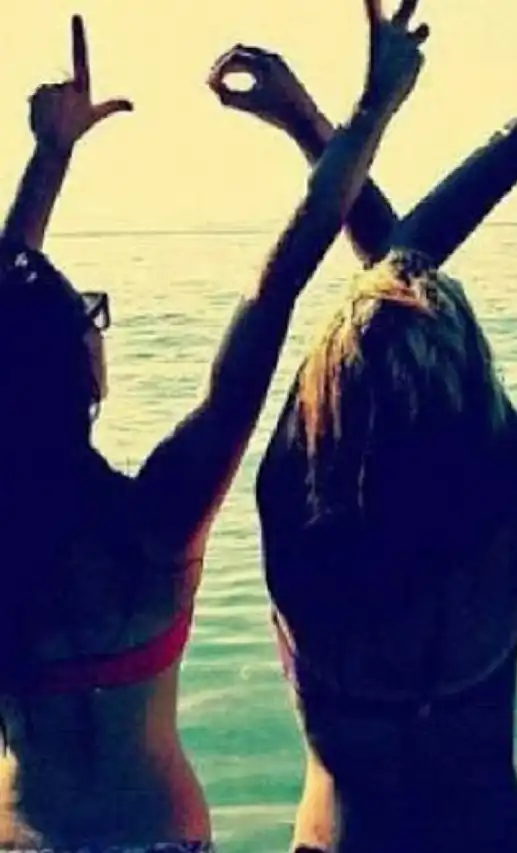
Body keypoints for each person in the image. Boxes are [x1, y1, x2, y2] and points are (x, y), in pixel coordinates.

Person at [211, 10, 517, 853]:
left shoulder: (293, 503)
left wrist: (325, 124)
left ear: (320, 390)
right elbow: (400, 267)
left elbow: (319, 286)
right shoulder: (502, 485)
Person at [0, 5, 427, 849]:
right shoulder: (155, 526)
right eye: (89, 317)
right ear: (84, 370)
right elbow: (276, 289)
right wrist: (370, 108)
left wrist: (50, 157)